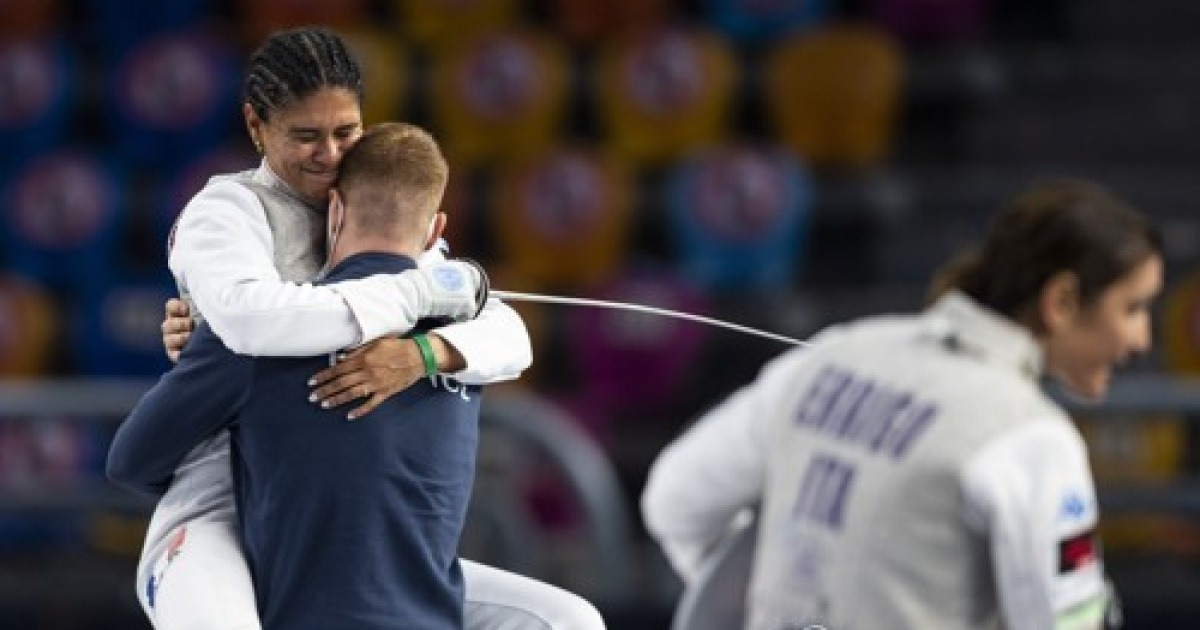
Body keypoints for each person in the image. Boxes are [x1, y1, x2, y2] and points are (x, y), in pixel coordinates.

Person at [141, 27, 603, 630]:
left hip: (334, 530)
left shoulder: (378, 209)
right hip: (216, 513)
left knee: (568, 621)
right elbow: (254, 323)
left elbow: (508, 337)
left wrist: (426, 352)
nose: (329, 155)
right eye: (305, 136)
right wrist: (416, 291)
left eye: (344, 132)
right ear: (256, 125)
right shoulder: (225, 212)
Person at [641, 179, 1161, 630]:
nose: (1142, 339)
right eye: (1133, 308)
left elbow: (674, 500)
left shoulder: (837, 352)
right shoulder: (1028, 434)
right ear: (1062, 302)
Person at [109, 121, 493, 629]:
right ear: (436, 231)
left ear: (333, 213)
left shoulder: (257, 336)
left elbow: (131, 461)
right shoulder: (470, 339)